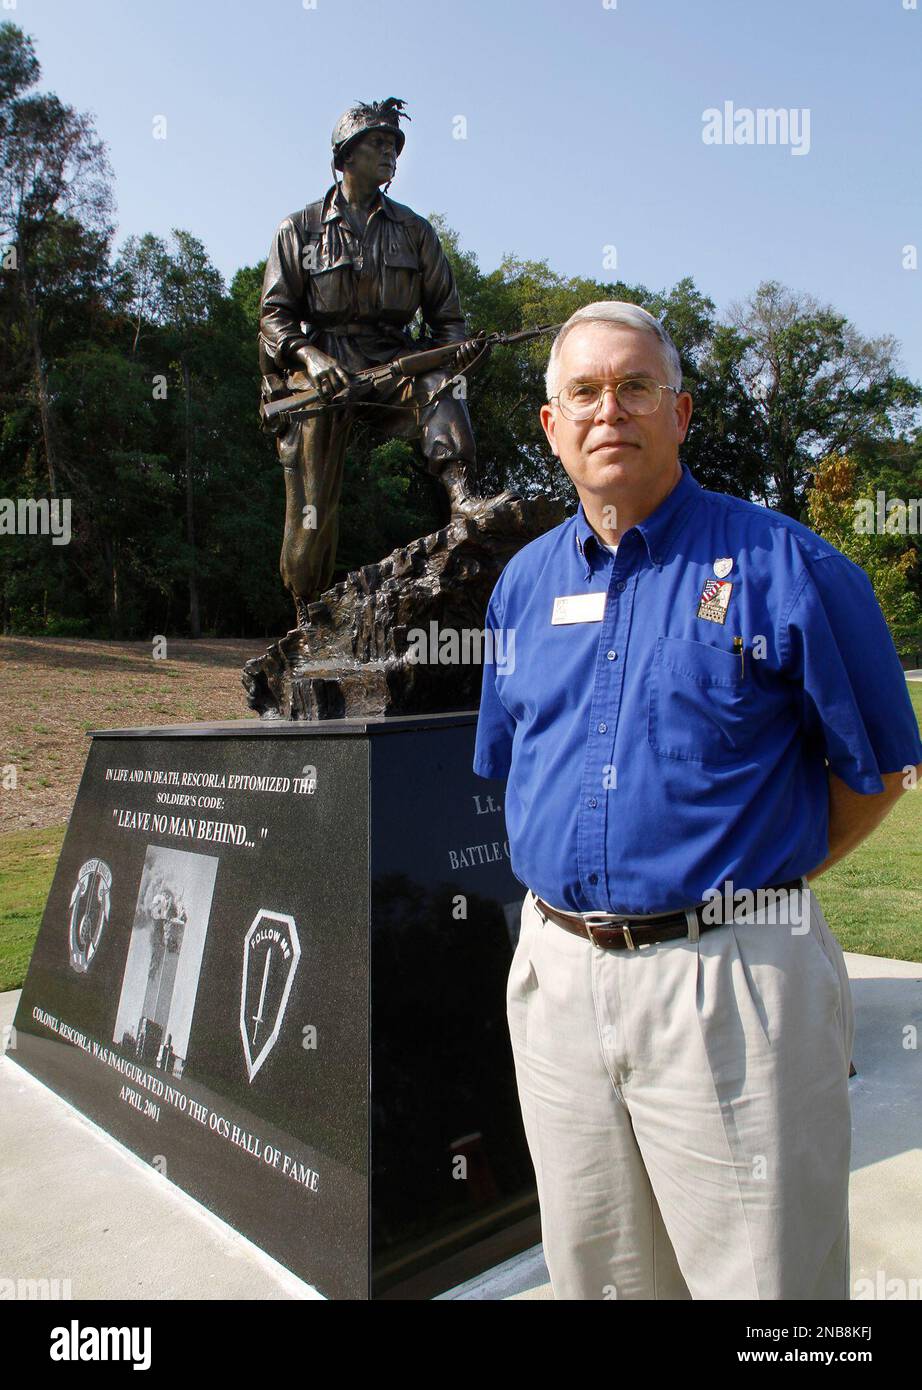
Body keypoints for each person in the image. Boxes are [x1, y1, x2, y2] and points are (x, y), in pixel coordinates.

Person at [473, 301, 922, 1300]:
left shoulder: (788, 566)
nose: (609, 412)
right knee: (598, 1277)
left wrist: (753, 887)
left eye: (635, 387)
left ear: (680, 413)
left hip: (731, 983)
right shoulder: (520, 587)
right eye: (582, 392)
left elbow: (879, 773)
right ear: (550, 427)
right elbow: (517, 761)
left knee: (768, 1289)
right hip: (556, 981)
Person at [259, 97, 493, 626]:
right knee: (313, 494)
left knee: (440, 384)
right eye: (378, 144)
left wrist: (454, 359)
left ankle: (462, 495)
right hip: (321, 367)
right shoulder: (297, 229)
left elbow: (447, 322)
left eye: (394, 146)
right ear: (345, 155)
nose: (390, 154)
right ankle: (305, 607)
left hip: (394, 360)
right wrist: (310, 357)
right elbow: (274, 317)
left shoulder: (415, 231)